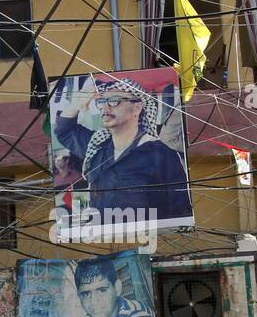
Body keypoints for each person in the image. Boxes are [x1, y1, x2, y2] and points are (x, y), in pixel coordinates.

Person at [53, 75, 193, 222]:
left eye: (114, 101)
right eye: (102, 102)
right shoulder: (96, 147)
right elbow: (64, 131)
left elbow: (181, 212)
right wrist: (76, 103)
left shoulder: (162, 155)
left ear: (137, 108)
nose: (105, 108)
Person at [68, 257, 157, 317]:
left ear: (117, 288)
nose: (94, 300)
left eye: (102, 290)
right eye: (86, 294)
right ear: (79, 296)